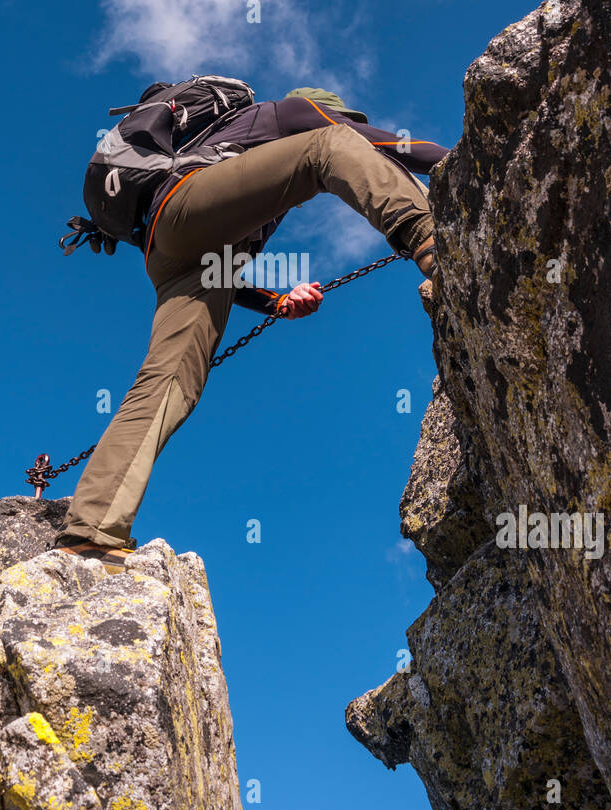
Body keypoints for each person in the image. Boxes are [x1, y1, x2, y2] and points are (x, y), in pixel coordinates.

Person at [55, 84, 449, 569]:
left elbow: (224, 273)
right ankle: (434, 241)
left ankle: (91, 530)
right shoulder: (287, 113)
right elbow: (375, 143)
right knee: (333, 148)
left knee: (169, 382)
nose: (339, 119)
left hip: (172, 250)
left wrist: (276, 300)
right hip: (183, 208)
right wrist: (463, 161)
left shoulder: (252, 176)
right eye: (338, 113)